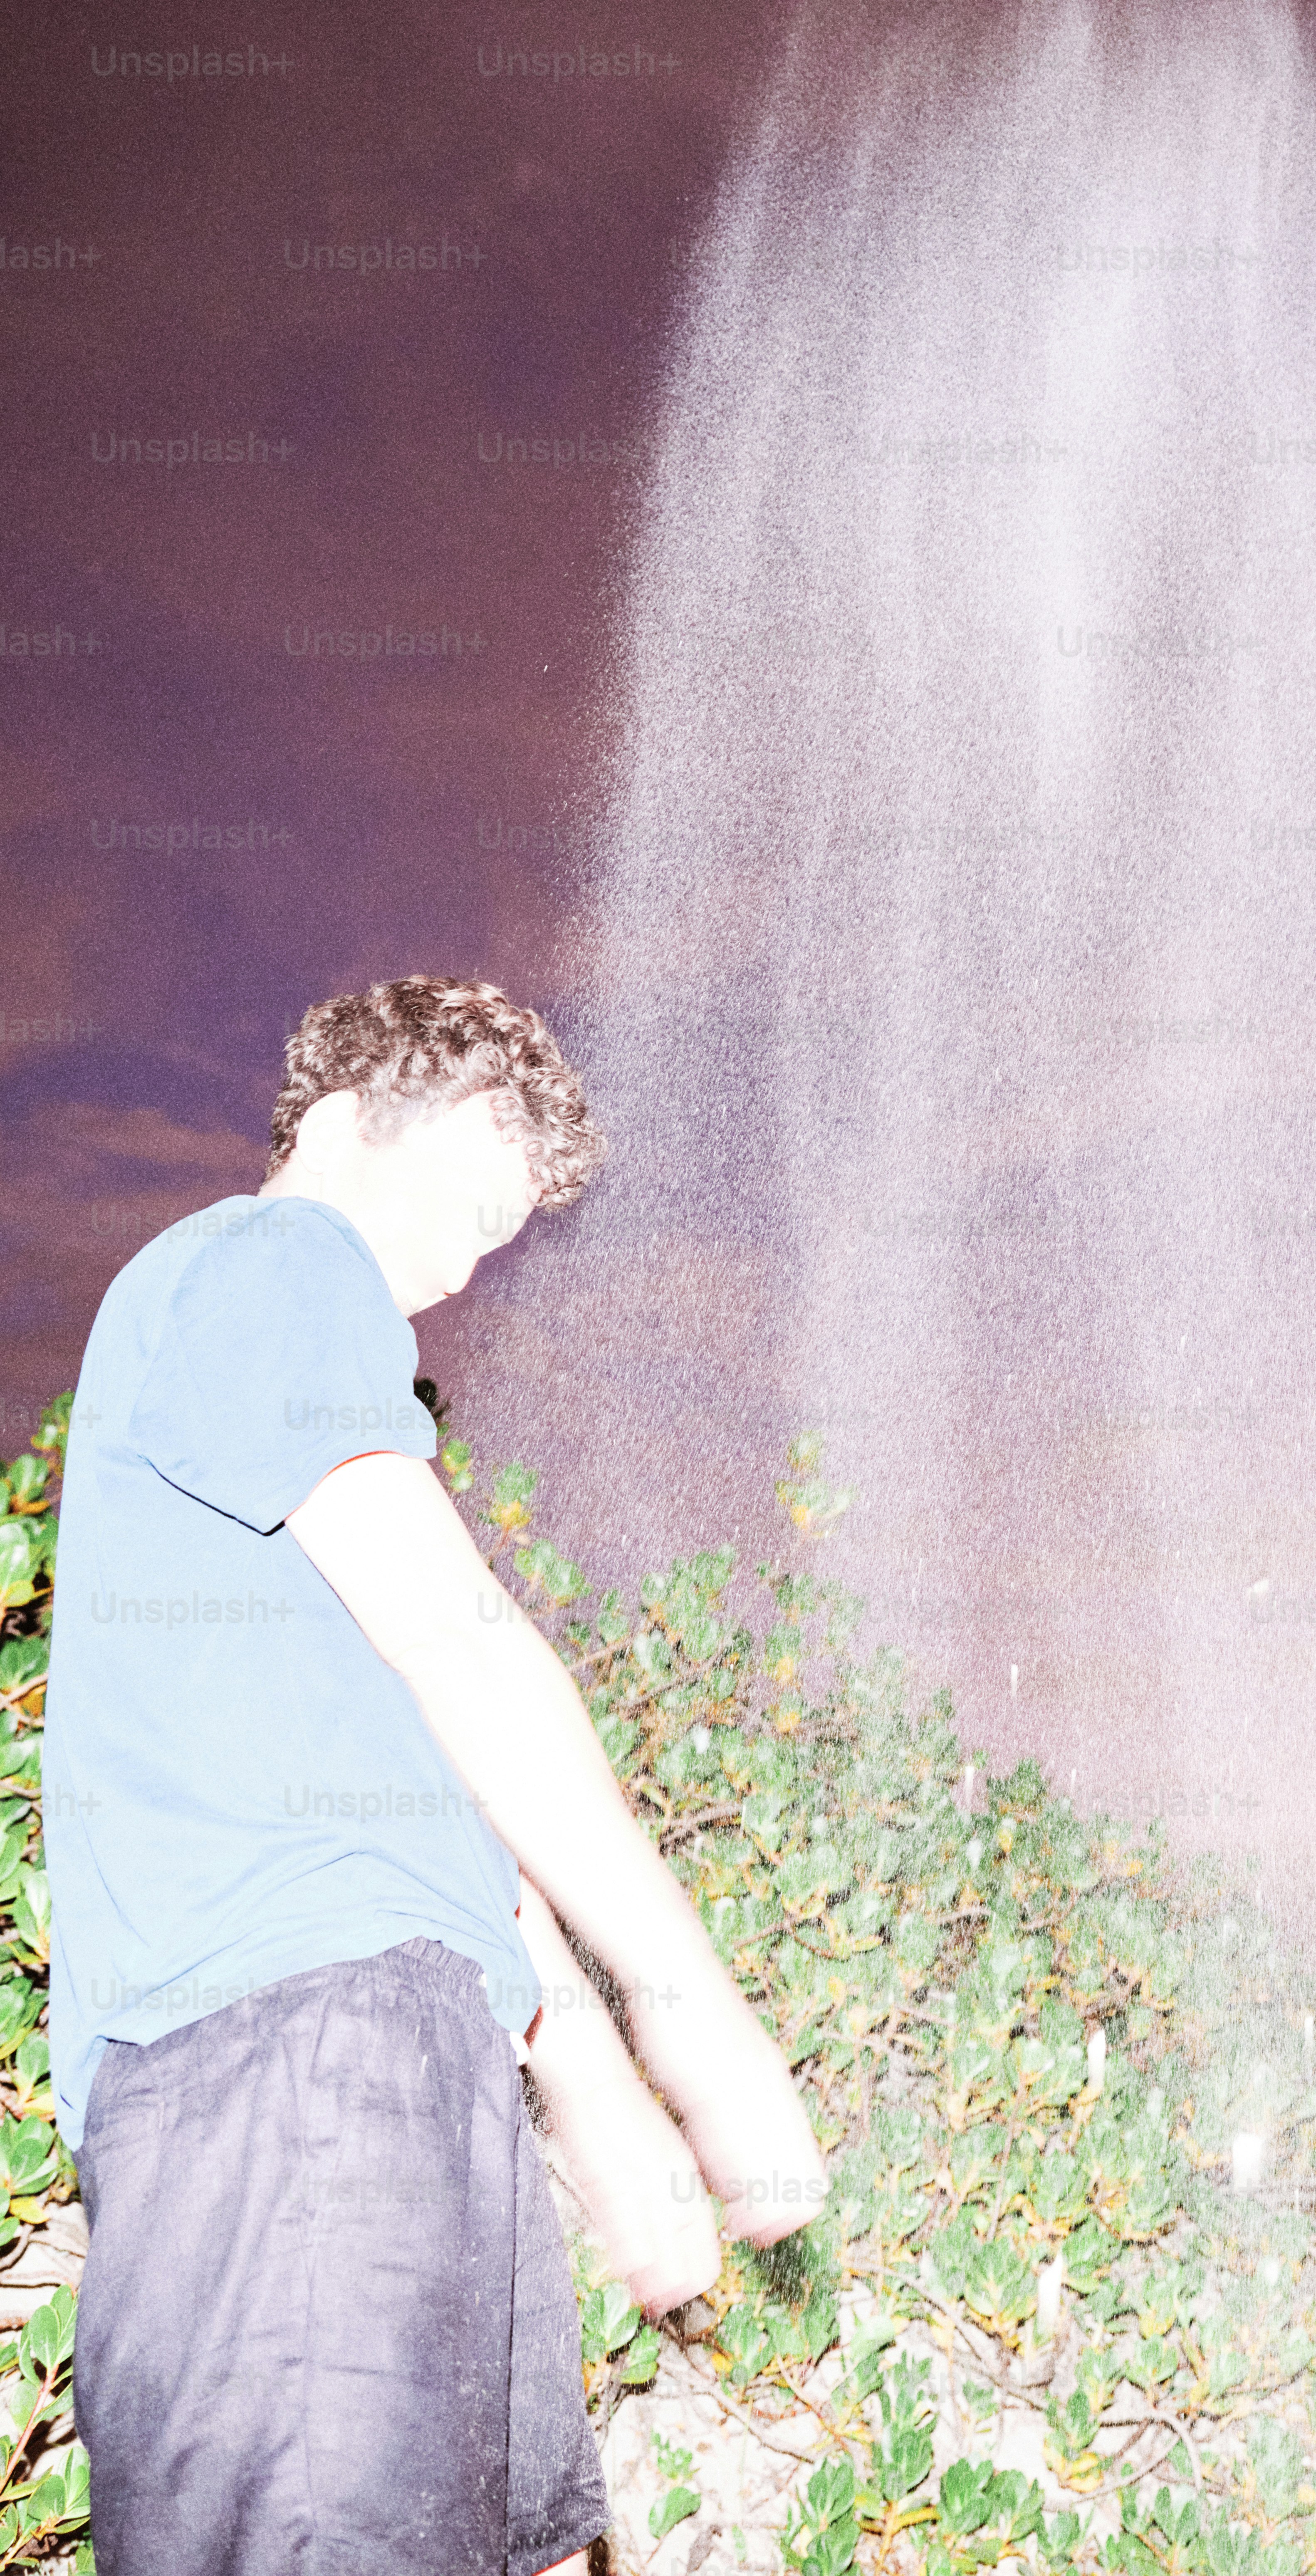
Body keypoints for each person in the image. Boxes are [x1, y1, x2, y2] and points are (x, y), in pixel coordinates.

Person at [43, 975, 827, 2576]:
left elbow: (432, 1794)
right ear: (340, 1118)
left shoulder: (279, 1418)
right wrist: (701, 2020)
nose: (475, 1253)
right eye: (470, 1187)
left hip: (385, 2058)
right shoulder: (271, 1258)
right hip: (286, 2061)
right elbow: (458, 1640)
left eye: (505, 1227)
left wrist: (597, 2086)